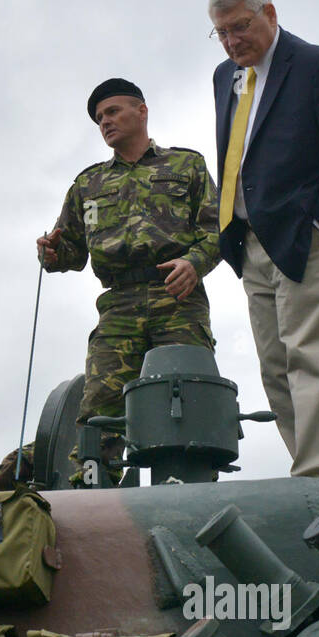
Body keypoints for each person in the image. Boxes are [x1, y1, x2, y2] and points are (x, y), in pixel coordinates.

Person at [209, 0, 319, 479]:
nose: (232, 41)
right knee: (277, 369)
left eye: (239, 27)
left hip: (308, 239)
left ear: (270, 13)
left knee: (317, 356)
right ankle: (307, 472)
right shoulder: (225, 76)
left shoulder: (316, 65)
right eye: (220, 33)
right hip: (251, 244)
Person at [37, 79, 221, 484]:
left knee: (187, 397)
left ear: (142, 111)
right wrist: (51, 254)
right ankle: (89, 499)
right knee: (100, 410)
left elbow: (218, 229)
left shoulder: (185, 166)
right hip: (119, 304)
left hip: (178, 297)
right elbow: (69, 251)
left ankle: (188, 495)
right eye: (99, 118)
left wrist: (194, 262)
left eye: (113, 112)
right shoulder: (87, 185)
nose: (105, 122)